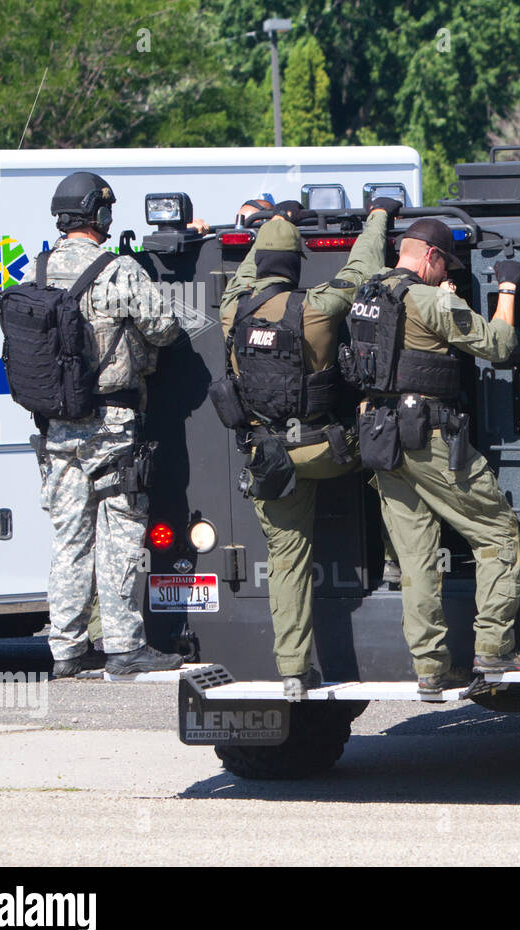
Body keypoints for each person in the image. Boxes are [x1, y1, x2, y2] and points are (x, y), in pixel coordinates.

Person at [217, 199, 395, 698]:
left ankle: (294, 670)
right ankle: (395, 559)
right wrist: (378, 217)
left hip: (269, 457)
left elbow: (248, 270)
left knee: (287, 560)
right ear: (296, 266)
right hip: (325, 452)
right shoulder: (317, 307)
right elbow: (361, 268)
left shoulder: (232, 309)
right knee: (391, 457)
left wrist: (276, 221)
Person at [357, 218, 520, 694]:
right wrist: (507, 287)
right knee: (497, 533)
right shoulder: (433, 299)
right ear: (432, 257)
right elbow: (499, 344)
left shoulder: (370, 292)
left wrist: (444, 296)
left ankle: (431, 669)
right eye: (445, 266)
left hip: (381, 437)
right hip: (429, 437)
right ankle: (494, 648)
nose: (446, 275)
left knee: (416, 559)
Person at [38, 172, 183, 677]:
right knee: (120, 529)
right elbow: (163, 328)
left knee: (69, 536)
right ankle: (123, 646)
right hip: (110, 421)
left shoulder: (39, 269)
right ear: (98, 215)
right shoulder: (117, 270)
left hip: (56, 426)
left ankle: (67, 649)